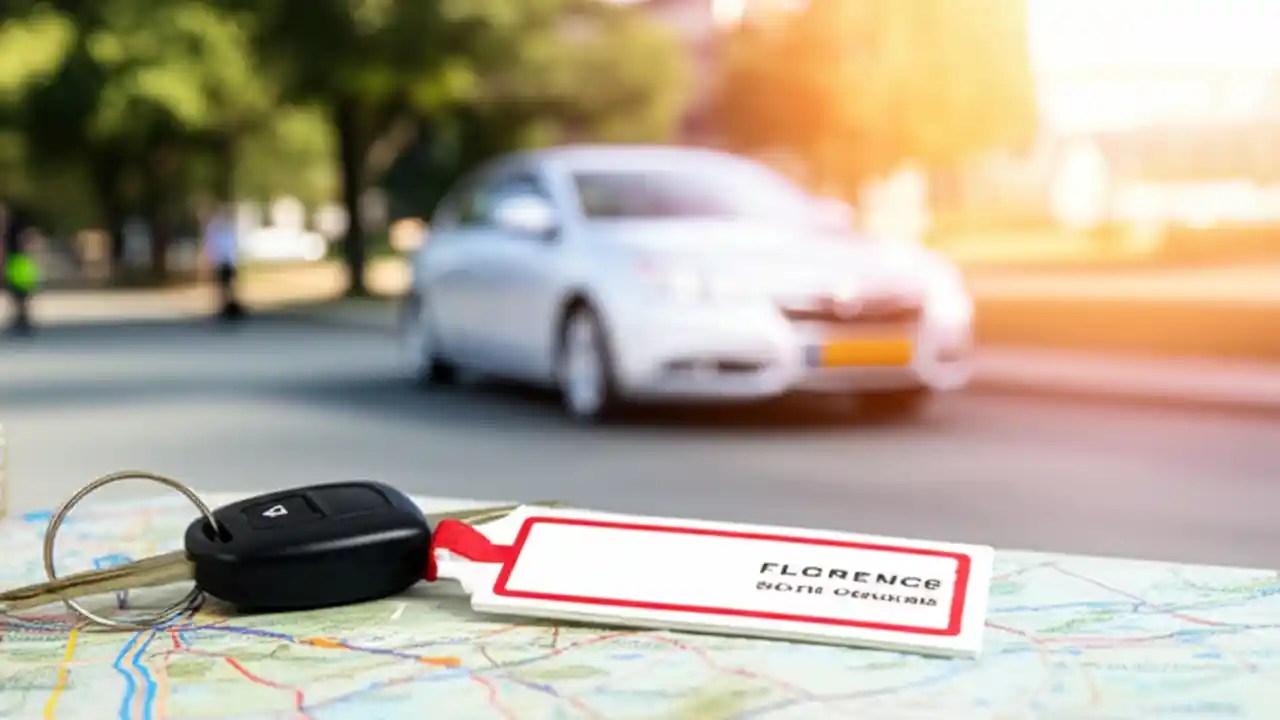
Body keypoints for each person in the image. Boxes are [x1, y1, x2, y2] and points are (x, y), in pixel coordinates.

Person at [2, 205, 38, 337]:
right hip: (18, 267)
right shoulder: (15, 231)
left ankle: (22, 324)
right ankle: (21, 323)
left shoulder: (14, 231)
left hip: (18, 267)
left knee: (20, 299)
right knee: (19, 300)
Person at [203, 205, 243, 321]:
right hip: (226, 261)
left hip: (224, 261)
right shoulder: (223, 230)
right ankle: (227, 307)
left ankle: (229, 308)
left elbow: (215, 247)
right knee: (225, 286)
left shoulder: (218, 230)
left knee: (225, 286)